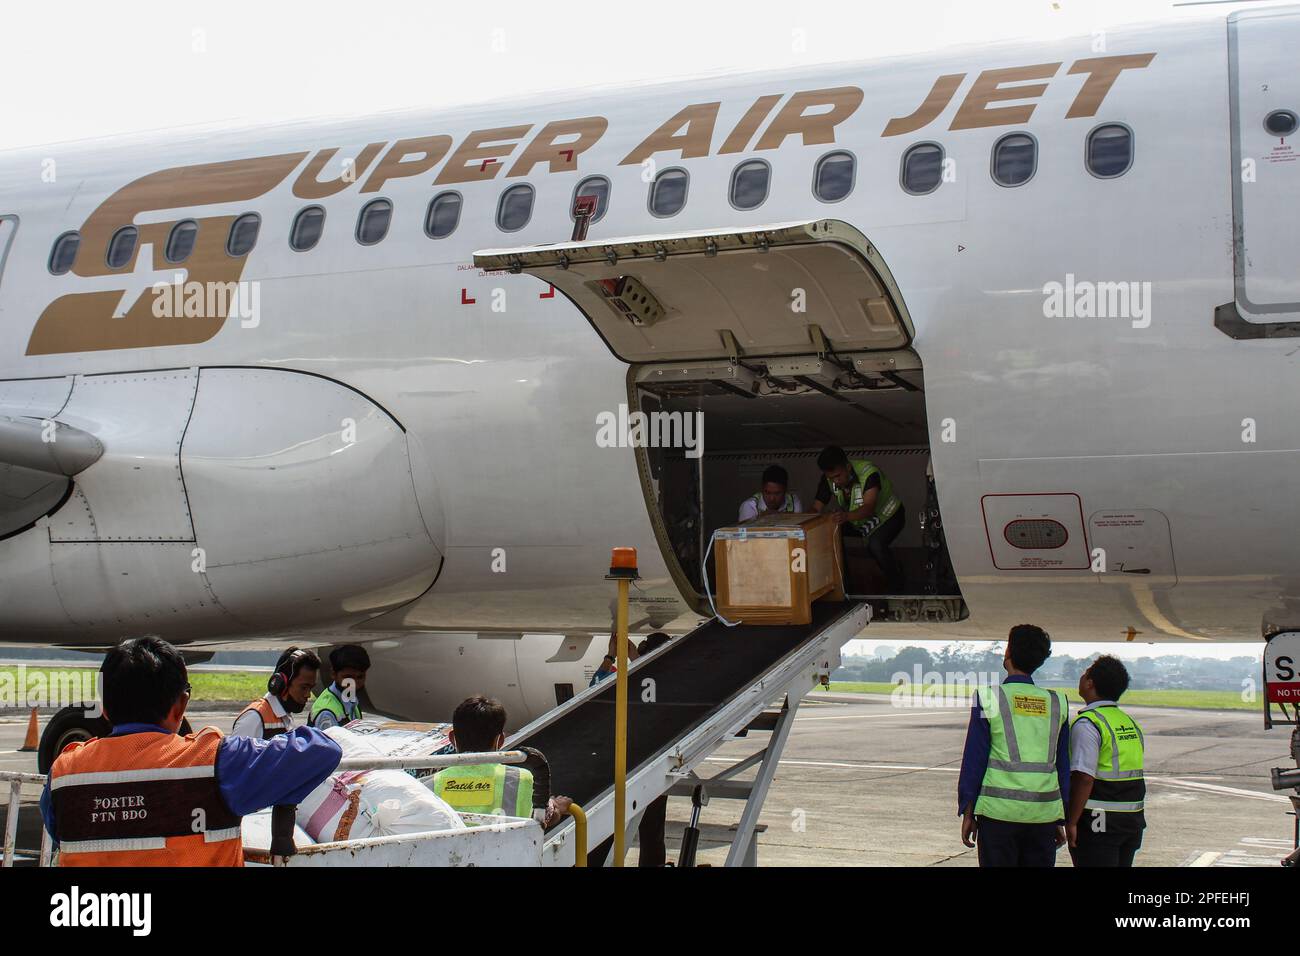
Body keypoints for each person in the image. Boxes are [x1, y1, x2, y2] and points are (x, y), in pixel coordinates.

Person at [41, 637, 340, 866]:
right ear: (181, 705)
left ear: (104, 709)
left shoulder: (64, 774)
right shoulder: (215, 761)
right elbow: (323, 750)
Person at [958, 624, 1070, 867]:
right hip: (1043, 814)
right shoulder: (1057, 702)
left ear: (1008, 653)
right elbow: (1063, 765)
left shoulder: (989, 697)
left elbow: (974, 759)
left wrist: (968, 809)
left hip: (998, 815)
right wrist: (1060, 818)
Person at [589, 632, 673, 866]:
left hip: (617, 768)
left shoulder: (623, 679)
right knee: (652, 833)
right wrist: (635, 655)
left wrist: (611, 655)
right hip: (653, 766)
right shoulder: (671, 681)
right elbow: (651, 674)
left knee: (606, 830)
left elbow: (594, 685)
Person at [432, 696, 571, 827]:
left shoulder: (430, 785)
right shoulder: (522, 779)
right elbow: (547, 817)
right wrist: (558, 806)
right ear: (501, 740)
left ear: (452, 738)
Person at [1067, 655, 1146, 867]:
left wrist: (1071, 821)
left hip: (1098, 825)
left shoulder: (1088, 724)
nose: (1081, 677)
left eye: (1085, 673)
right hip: (1130, 822)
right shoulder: (1129, 723)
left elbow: (1084, 778)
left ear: (1090, 683)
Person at [812, 445, 905, 593]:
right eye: (831, 478)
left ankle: (898, 587)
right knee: (831, 531)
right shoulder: (829, 479)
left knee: (876, 545)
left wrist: (845, 516)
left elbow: (868, 507)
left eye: (837, 476)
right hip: (859, 521)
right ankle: (844, 586)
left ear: (848, 467)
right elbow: (816, 509)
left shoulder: (868, 473)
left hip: (889, 516)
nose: (835, 481)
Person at [232, 647, 320, 739]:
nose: (308, 695)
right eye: (303, 687)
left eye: (311, 688)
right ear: (282, 683)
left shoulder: (285, 718)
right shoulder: (254, 719)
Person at [310, 644, 370, 730]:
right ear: (333, 674)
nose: (354, 684)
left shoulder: (350, 698)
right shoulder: (327, 713)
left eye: (360, 677)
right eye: (348, 677)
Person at [738, 464, 803, 522]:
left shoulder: (793, 501)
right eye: (767, 493)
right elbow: (745, 534)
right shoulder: (749, 506)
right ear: (762, 488)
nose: (772, 499)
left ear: (785, 490)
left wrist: (773, 516)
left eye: (777, 493)